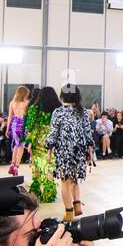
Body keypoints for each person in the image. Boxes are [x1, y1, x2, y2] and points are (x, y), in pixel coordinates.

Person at [47, 86, 92, 221]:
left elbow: (53, 133)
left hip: (64, 150)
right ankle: (77, 203)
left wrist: (49, 152)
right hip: (79, 150)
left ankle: (68, 212)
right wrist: (90, 150)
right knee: (75, 179)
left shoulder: (58, 112)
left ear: (62, 96)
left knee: (65, 182)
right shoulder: (83, 111)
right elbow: (87, 132)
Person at [26, 87, 60, 203]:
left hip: (38, 139)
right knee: (50, 166)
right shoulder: (59, 108)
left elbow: (29, 126)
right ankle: (49, 194)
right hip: (53, 140)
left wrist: (29, 141)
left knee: (37, 166)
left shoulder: (34, 108)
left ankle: (36, 192)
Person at [7, 85, 30, 176]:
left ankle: (12, 164)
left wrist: (8, 128)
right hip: (23, 124)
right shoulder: (27, 103)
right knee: (21, 146)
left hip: (14, 124)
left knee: (16, 145)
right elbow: (28, 117)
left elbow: (10, 116)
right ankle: (16, 166)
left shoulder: (12, 102)